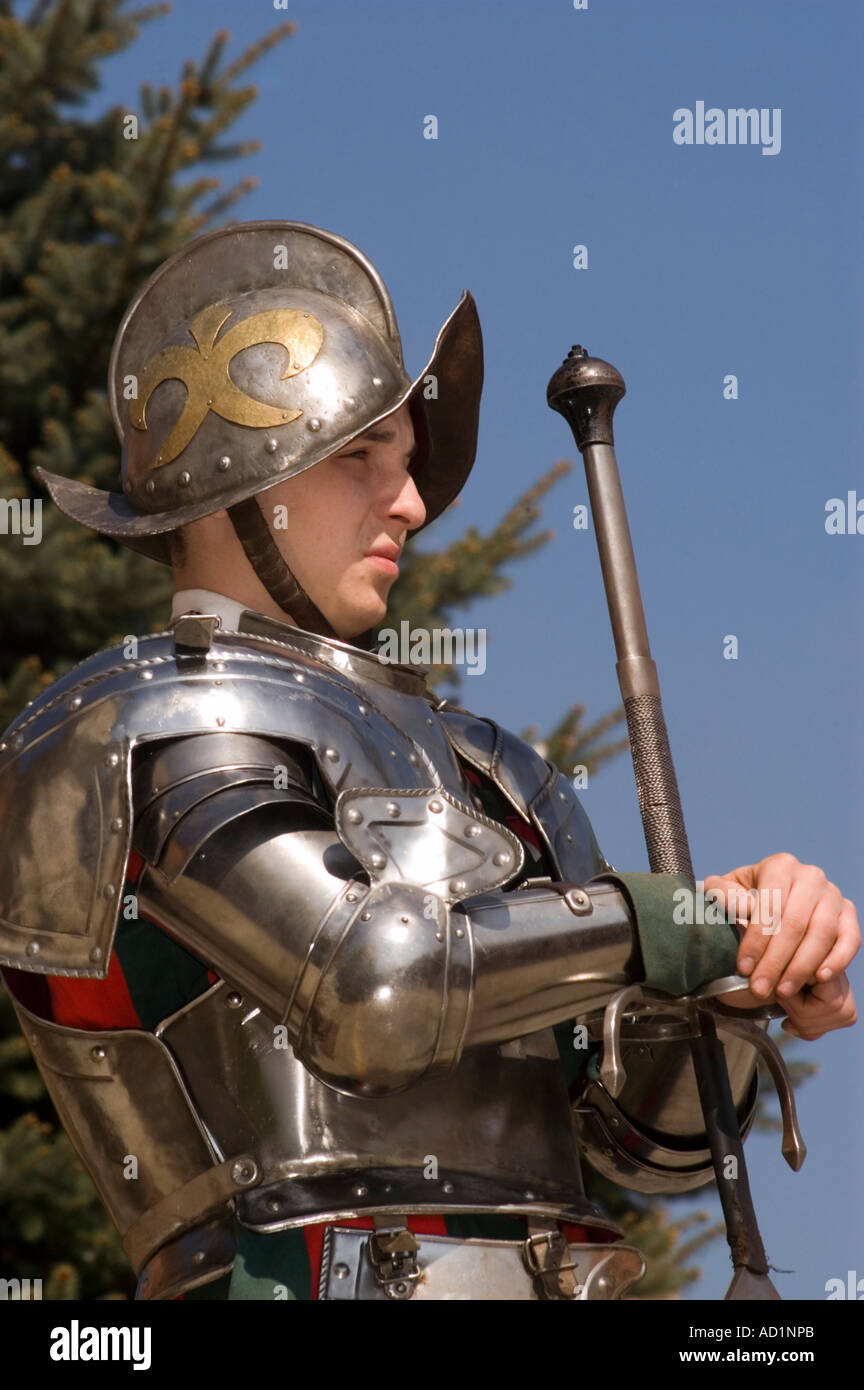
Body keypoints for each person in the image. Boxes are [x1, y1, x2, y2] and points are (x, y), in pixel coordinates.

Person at [0, 221, 857, 1301]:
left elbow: (637, 1136)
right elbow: (372, 986)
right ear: (240, 484)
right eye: (364, 459)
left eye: (406, 465)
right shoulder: (144, 720)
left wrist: (742, 977)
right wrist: (657, 922)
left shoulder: (493, 768)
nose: (409, 505)